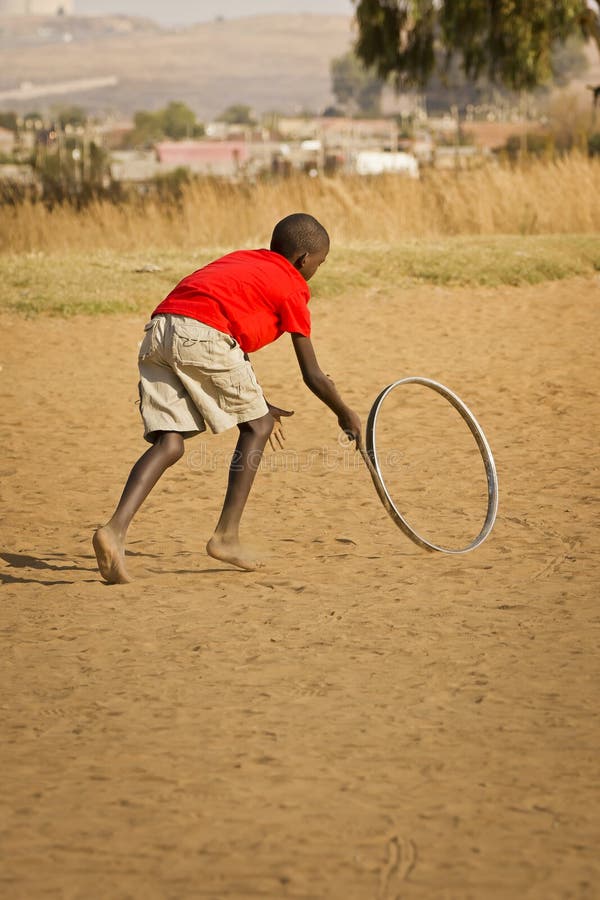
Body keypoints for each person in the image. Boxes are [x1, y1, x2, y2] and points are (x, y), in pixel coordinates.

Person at [92, 212, 362, 584]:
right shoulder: (293, 285)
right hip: (201, 336)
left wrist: (258, 399)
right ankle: (226, 536)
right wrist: (345, 413)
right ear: (303, 260)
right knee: (259, 426)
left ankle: (114, 530)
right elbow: (313, 374)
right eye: (320, 263)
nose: (318, 269)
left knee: (170, 443)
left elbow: (225, 330)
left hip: (159, 331)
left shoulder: (246, 260)